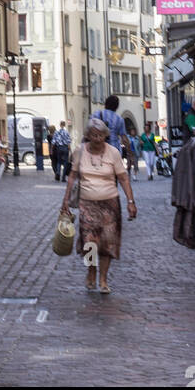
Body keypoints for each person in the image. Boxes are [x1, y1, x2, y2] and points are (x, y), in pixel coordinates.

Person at [61, 117, 137, 293]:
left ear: (106, 136)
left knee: (108, 243)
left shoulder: (113, 153)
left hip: (110, 203)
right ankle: (91, 270)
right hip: (87, 203)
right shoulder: (80, 151)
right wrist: (65, 200)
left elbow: (123, 178)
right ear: (88, 135)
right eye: (94, 135)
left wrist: (130, 201)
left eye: (101, 135)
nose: (97, 138)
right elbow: (72, 176)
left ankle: (103, 279)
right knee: (89, 242)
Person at [97, 96, 127, 161]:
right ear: (117, 106)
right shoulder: (119, 119)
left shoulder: (97, 114)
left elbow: (89, 130)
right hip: (114, 149)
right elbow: (124, 138)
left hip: (98, 147)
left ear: (106, 103)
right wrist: (130, 154)